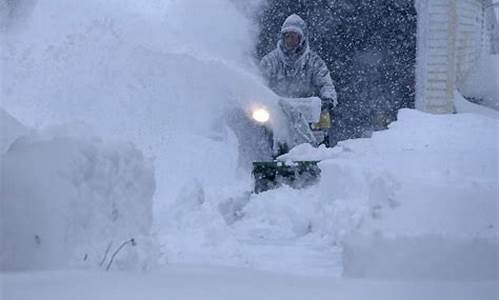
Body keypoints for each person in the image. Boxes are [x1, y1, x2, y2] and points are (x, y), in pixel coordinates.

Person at [259, 14, 338, 113]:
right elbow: (259, 82)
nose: (289, 40)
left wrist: (328, 98)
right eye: (286, 36)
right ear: (282, 37)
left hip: (308, 113)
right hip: (274, 113)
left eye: (294, 36)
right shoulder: (270, 61)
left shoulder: (314, 62)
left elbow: (325, 84)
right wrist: (259, 98)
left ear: (302, 39)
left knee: (323, 120)